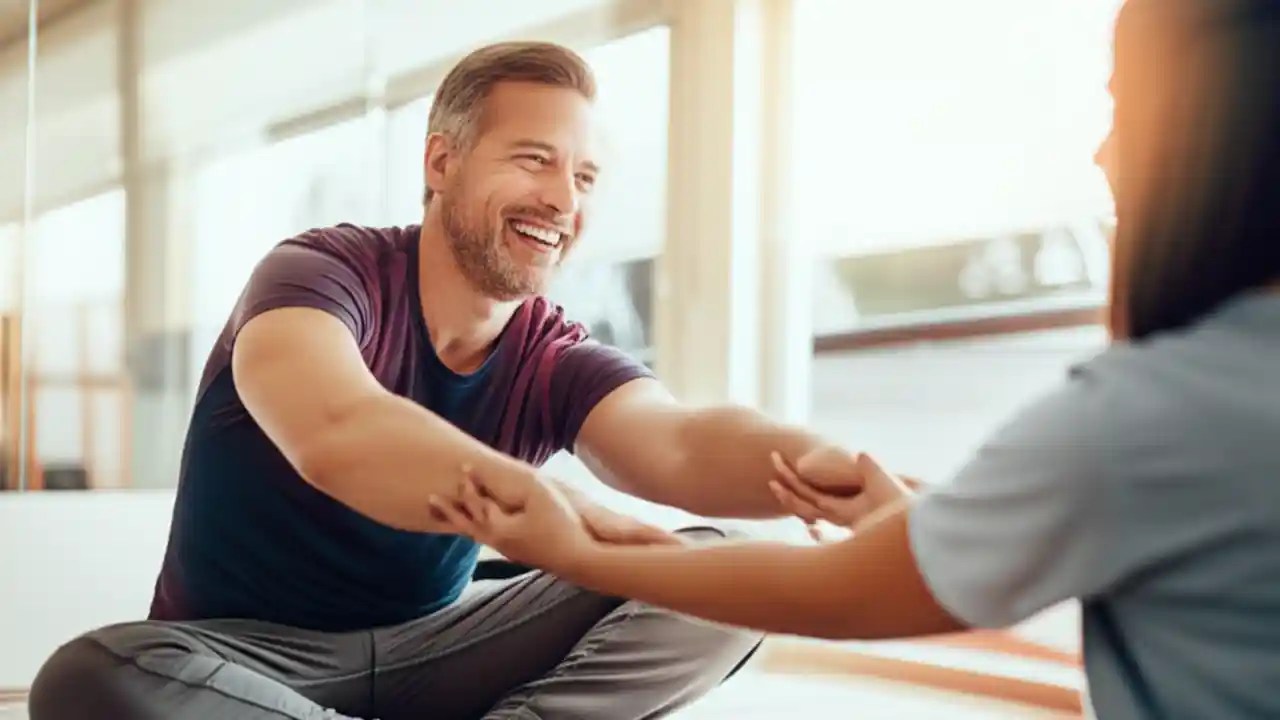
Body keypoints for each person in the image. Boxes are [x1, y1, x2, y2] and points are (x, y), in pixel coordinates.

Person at [430, 1, 1280, 718]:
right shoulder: (1200, 401)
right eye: (536, 160)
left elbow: (815, 574)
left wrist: (572, 546)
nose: (1101, 154)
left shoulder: (1152, 412)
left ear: (1209, 128)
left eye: (1122, 109)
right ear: (440, 162)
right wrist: (910, 517)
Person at [27, 42, 859, 720]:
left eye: (585, 177)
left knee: (724, 577)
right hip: (243, 659)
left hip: (439, 648)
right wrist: (563, 513)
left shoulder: (552, 353)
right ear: (441, 161)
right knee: (90, 677)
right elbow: (339, 432)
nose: (563, 199)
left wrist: (844, 475)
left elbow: (677, 443)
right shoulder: (320, 276)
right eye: (535, 160)